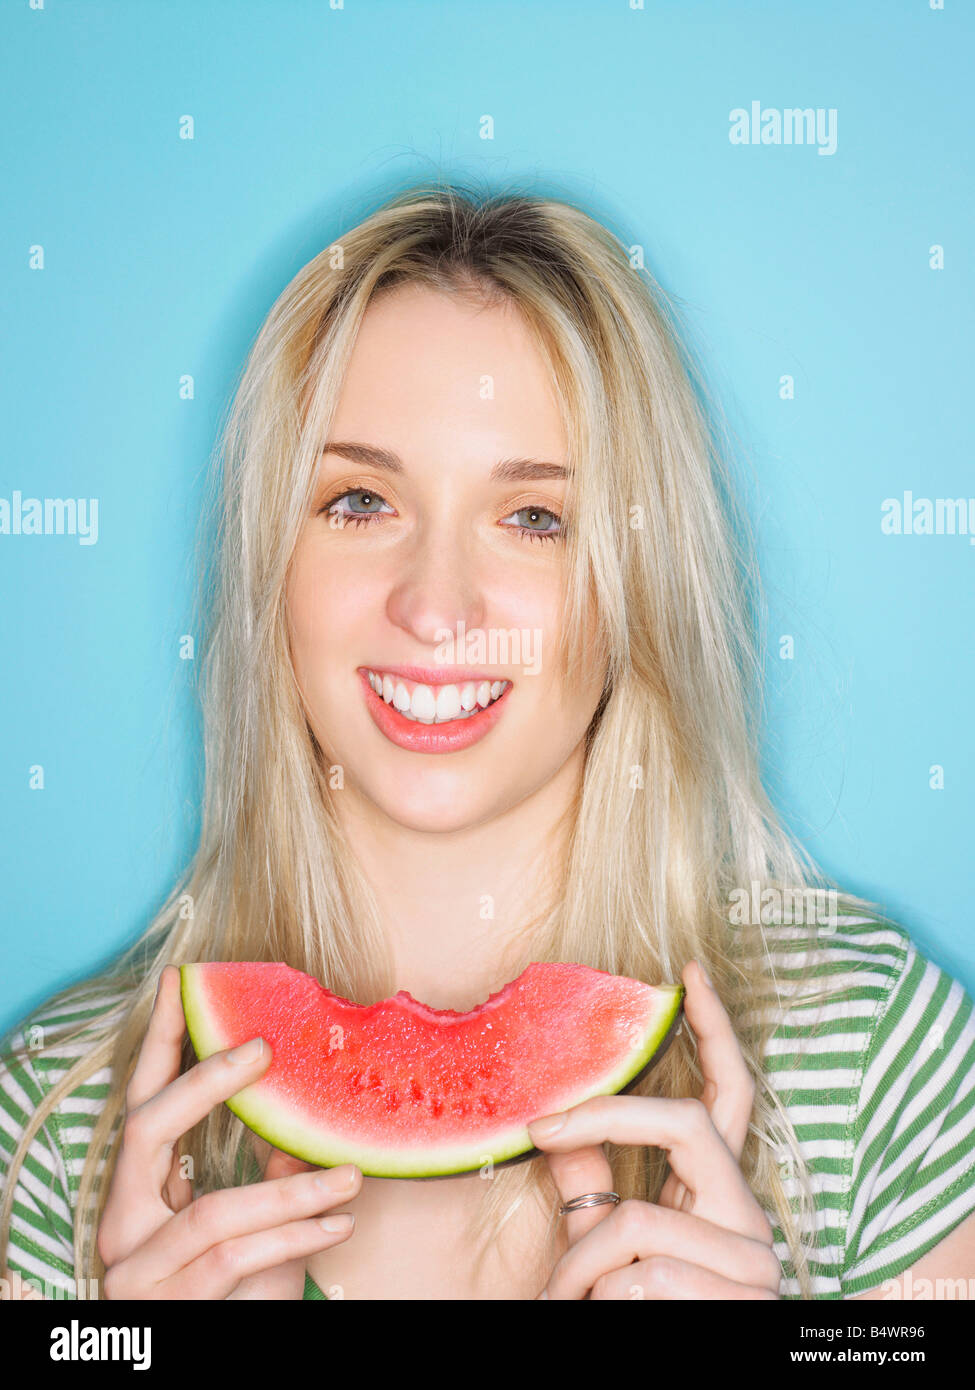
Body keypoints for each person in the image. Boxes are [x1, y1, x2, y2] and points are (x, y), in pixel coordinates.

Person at [2, 182, 973, 1301]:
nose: (437, 606)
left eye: (535, 518)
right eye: (360, 501)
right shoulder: (64, 1119)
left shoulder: (868, 1065)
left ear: (635, 584)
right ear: (272, 561)